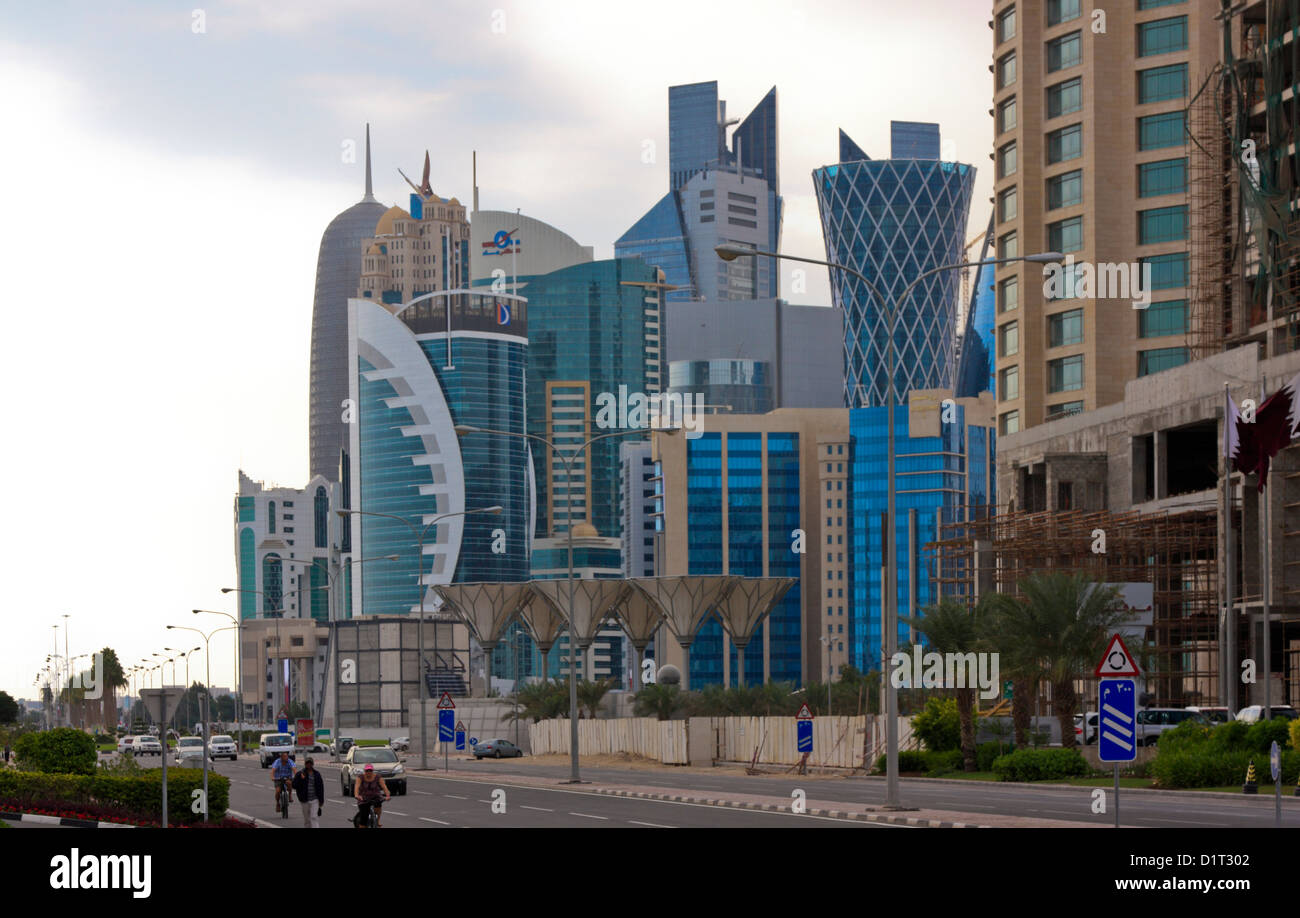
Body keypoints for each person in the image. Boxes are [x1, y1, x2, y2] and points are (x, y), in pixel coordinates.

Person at [352, 763, 390, 828]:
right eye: (367, 771)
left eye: (370, 770)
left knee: (378, 805)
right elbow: (357, 787)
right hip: (363, 798)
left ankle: (377, 821)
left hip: (376, 796)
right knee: (364, 817)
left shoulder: (378, 777)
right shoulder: (360, 777)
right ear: (364, 771)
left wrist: (387, 796)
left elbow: (384, 787)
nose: (369, 772)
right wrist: (356, 795)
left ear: (372, 771)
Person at [292, 757, 325, 828]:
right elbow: (294, 785)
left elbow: (321, 788)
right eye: (307, 763)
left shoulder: (317, 774)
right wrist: (301, 779)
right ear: (305, 764)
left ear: (312, 764)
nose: (309, 765)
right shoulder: (300, 774)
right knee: (307, 819)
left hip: (314, 799)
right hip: (304, 800)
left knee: (314, 817)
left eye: (310, 763)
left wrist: (321, 800)